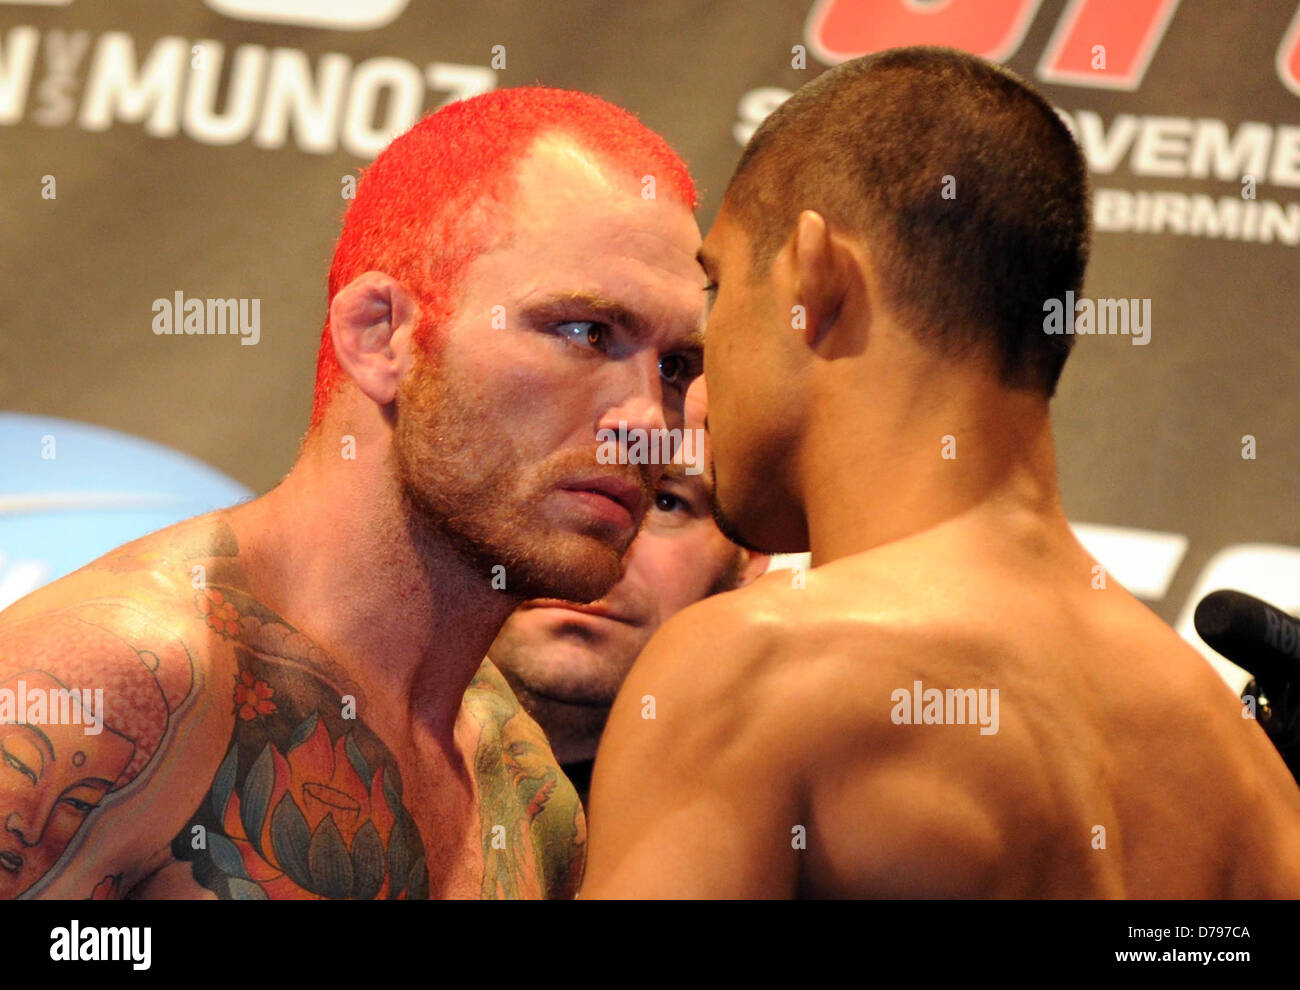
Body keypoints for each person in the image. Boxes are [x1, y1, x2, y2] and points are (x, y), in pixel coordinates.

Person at [580, 47, 1300, 898]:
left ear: (817, 275)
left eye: (719, 286)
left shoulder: (756, 673)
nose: (695, 396)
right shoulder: (1241, 763)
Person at [0, 86, 707, 900]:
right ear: (381, 335)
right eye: (586, 333)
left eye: (676, 366)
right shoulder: (120, 683)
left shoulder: (528, 791)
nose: (647, 420)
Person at [489, 380, 767, 802]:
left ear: (750, 554)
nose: (599, 557)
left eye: (666, 503)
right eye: (565, 480)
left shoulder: (770, 820)